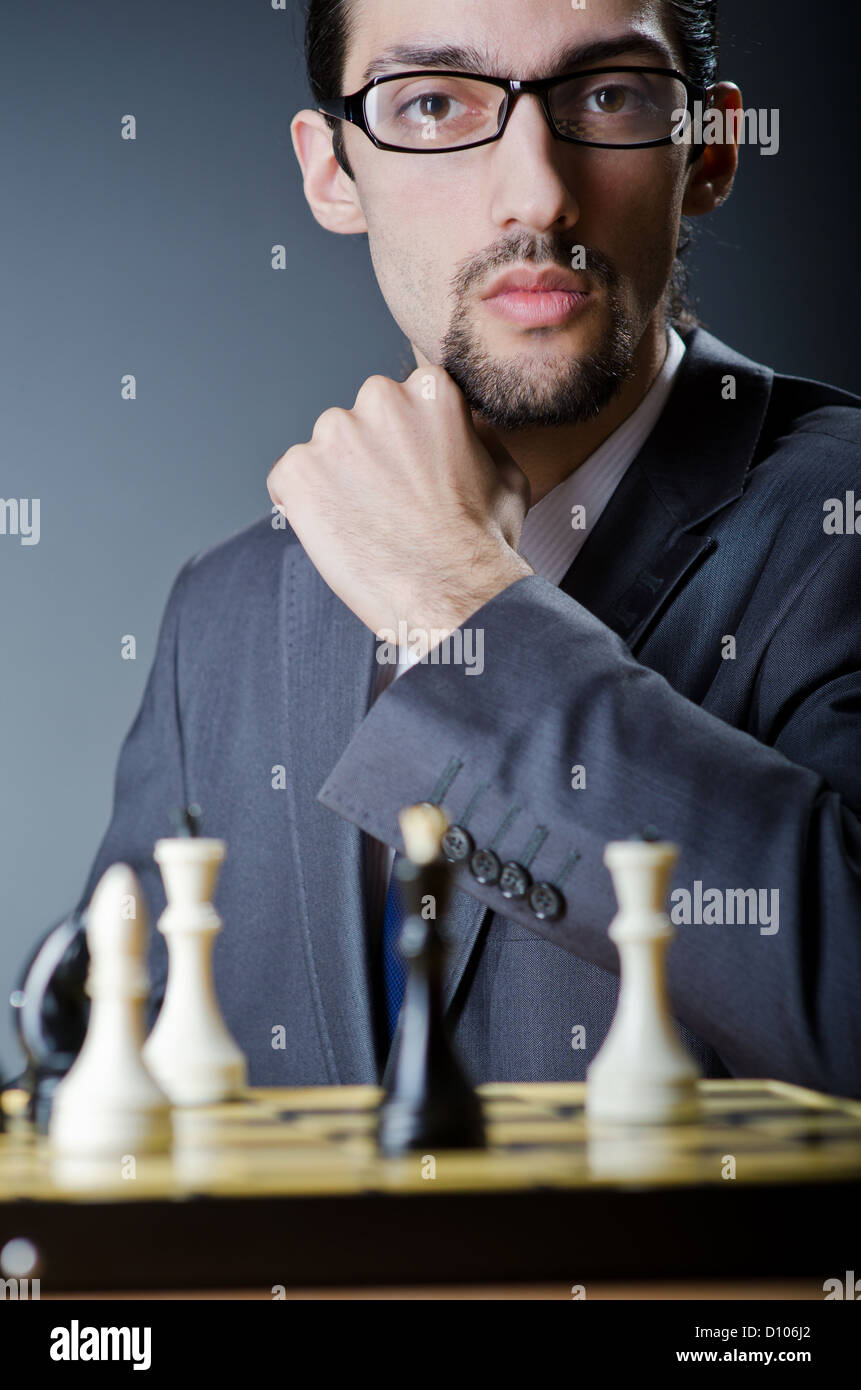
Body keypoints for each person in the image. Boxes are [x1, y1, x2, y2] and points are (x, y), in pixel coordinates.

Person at [74, 0, 861, 1096]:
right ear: (334, 172)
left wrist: (463, 609)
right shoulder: (228, 606)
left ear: (711, 148)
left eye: (608, 96)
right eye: (435, 104)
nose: (535, 194)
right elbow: (98, 1071)